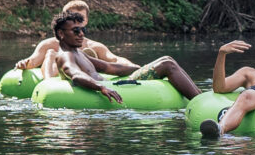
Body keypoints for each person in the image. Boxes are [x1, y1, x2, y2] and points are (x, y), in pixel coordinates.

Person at [19, 10, 203, 100]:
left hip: (116, 82)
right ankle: (200, 101)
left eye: (83, 30)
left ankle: (200, 97)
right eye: (76, 31)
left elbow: (110, 67)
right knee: (167, 64)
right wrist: (101, 87)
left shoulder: (79, 53)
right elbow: (75, 75)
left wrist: (140, 68)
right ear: (61, 34)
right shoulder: (65, 55)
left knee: (166, 60)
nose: (81, 34)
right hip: (112, 87)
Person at [14, 0, 122, 78]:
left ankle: (86, 65)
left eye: (80, 18)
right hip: (55, 76)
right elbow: (33, 61)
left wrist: (130, 66)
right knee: (52, 53)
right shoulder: (47, 45)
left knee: (84, 55)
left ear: (86, 21)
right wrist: (24, 63)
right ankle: (60, 71)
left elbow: (115, 59)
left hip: (84, 76)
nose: (77, 22)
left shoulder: (95, 47)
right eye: (72, 17)